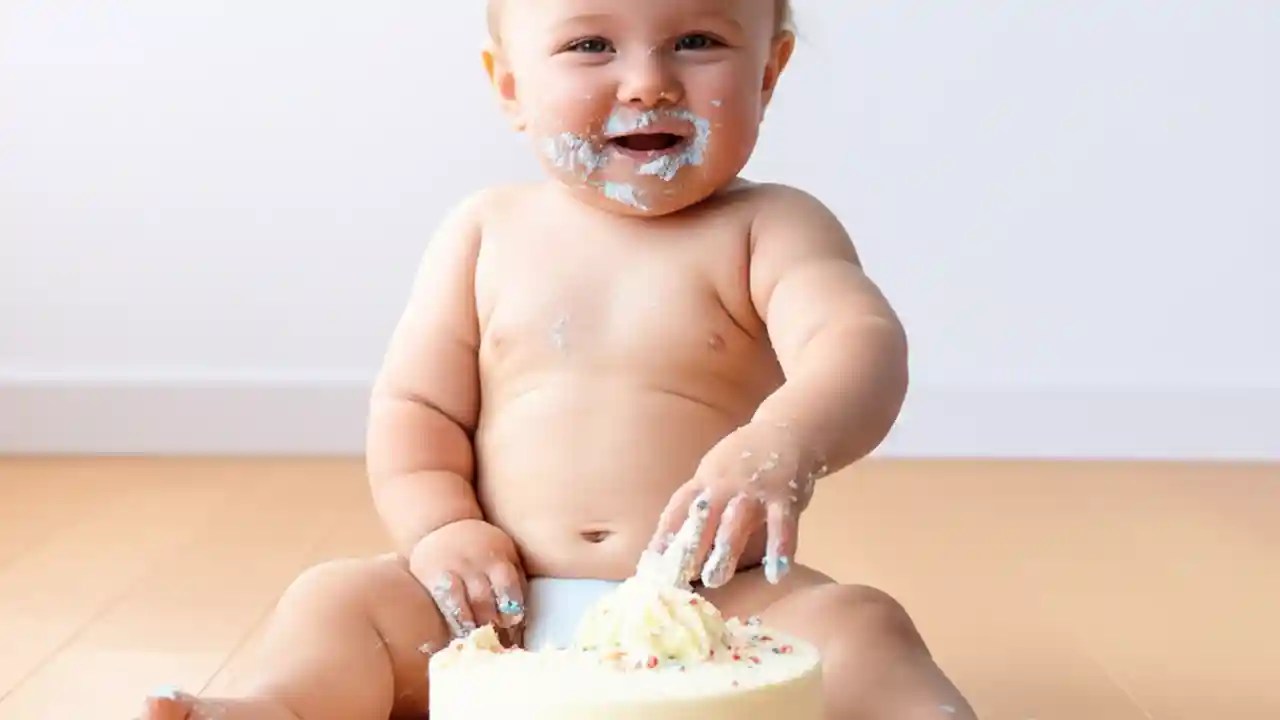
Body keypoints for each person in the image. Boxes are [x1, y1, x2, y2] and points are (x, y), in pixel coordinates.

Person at [144, 0, 976, 717]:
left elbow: (857, 345)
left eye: (696, 41)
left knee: (861, 625)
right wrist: (442, 529)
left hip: (719, 608)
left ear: (769, 71)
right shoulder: (484, 232)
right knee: (336, 602)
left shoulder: (773, 229)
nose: (648, 80)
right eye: (590, 45)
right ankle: (279, 707)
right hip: (489, 615)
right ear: (510, 85)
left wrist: (784, 444)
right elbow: (417, 409)